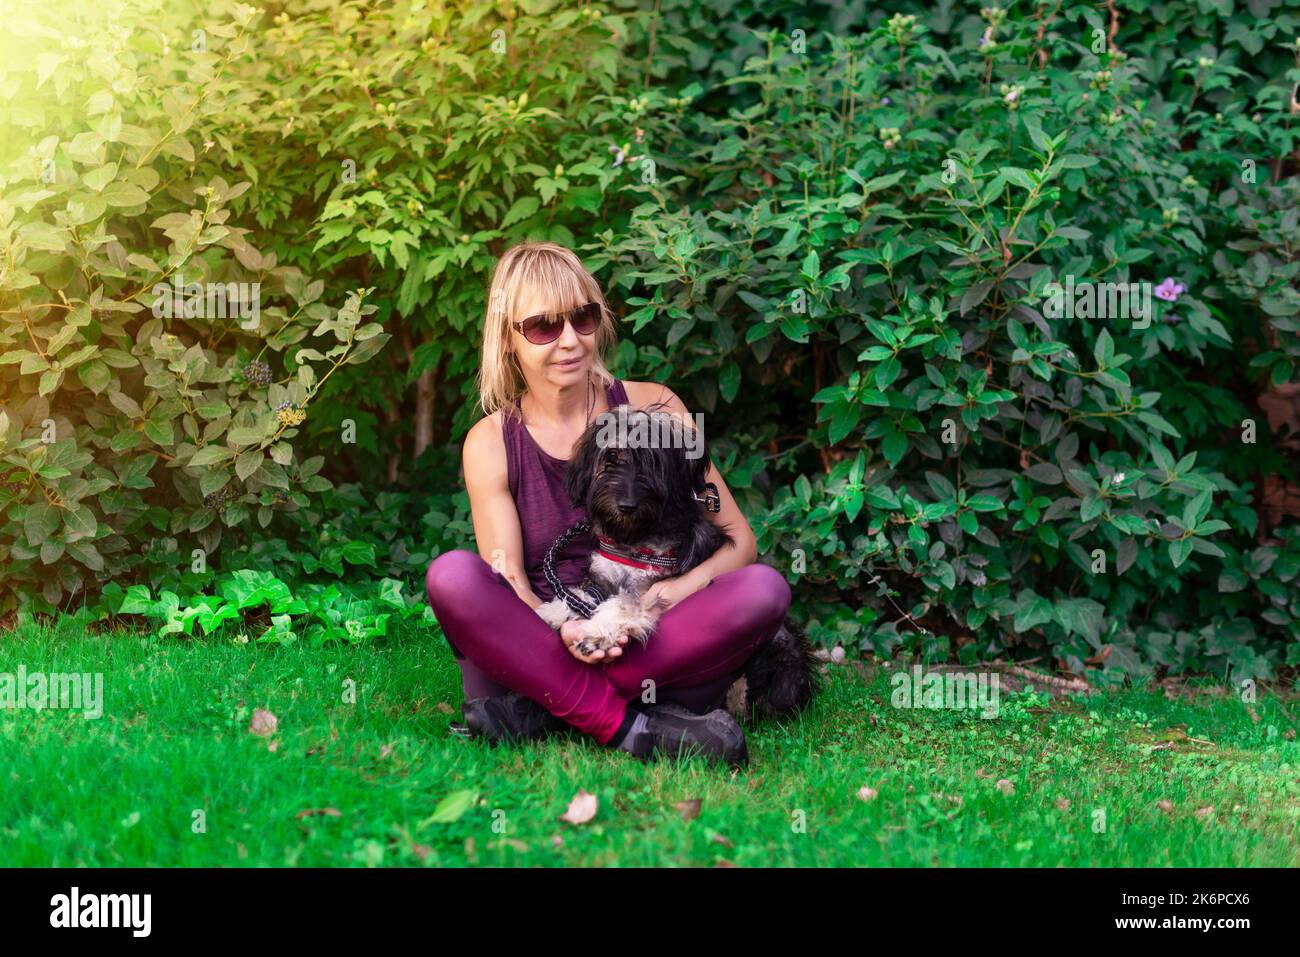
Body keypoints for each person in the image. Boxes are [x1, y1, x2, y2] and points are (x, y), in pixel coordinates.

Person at [424, 241, 792, 766]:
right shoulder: (490, 442)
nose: (570, 341)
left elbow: (740, 543)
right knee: (453, 578)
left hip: (648, 634)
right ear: (508, 339)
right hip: (546, 634)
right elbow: (512, 583)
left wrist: (668, 594)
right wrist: (572, 630)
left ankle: (544, 711)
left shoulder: (656, 407)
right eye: (543, 327)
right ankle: (638, 726)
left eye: (583, 317)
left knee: (762, 590)